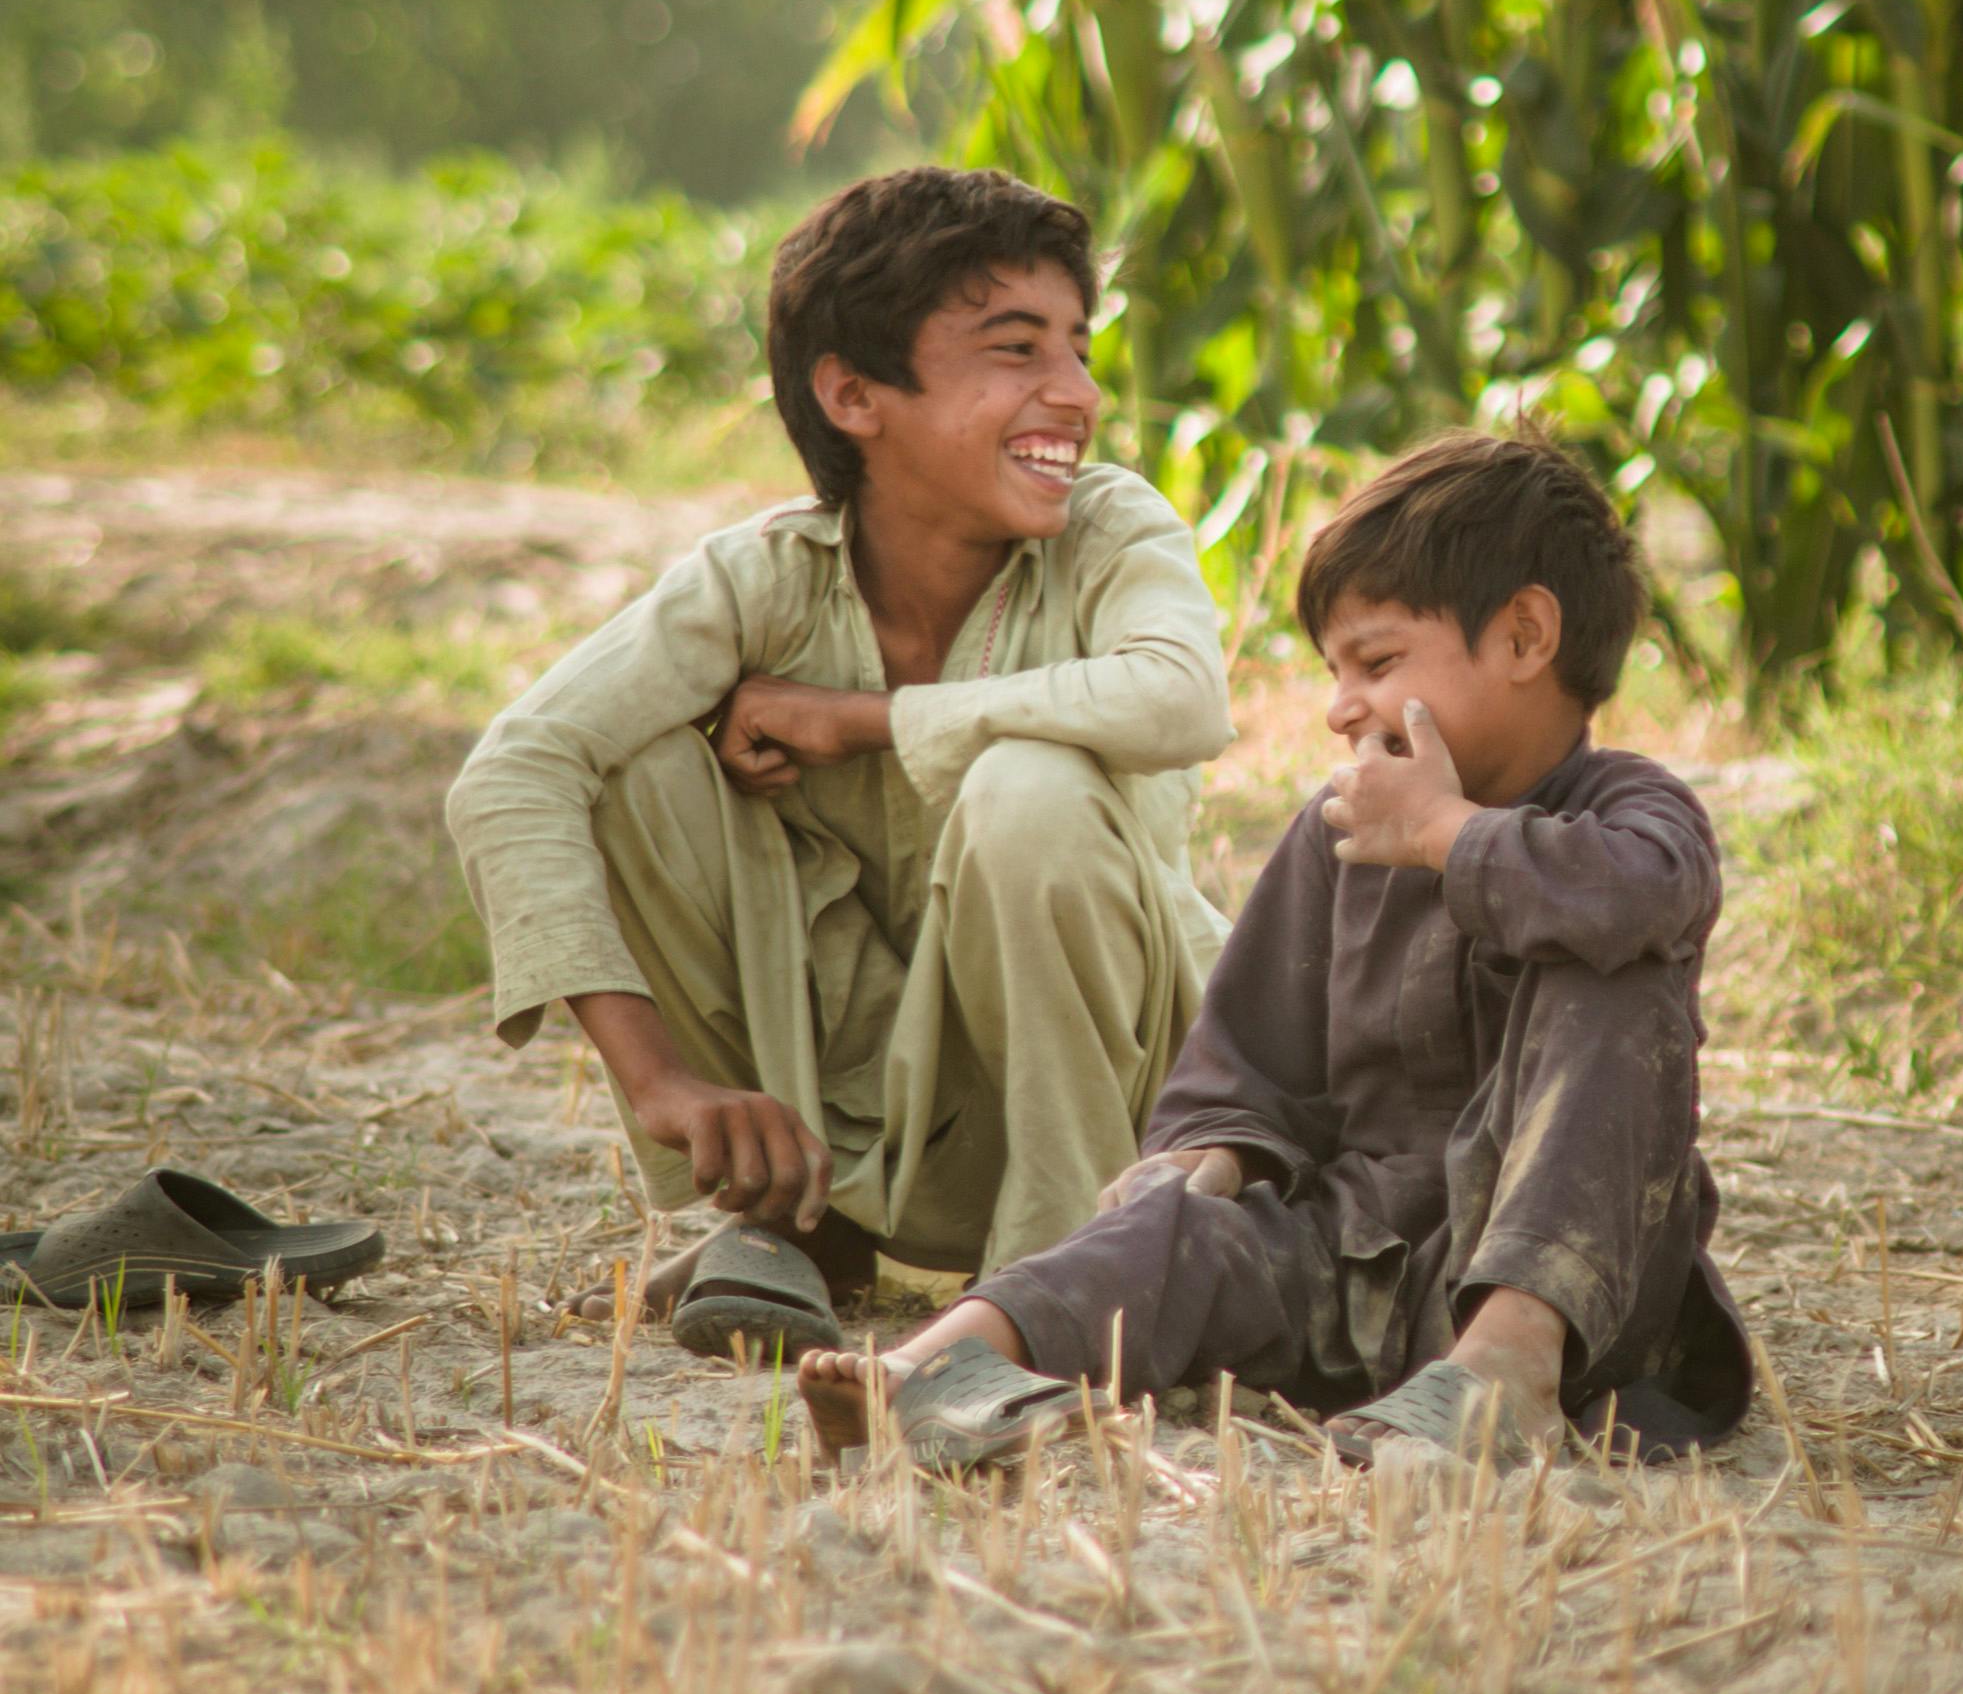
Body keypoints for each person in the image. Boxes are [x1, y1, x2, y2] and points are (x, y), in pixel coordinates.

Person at [799, 422, 1750, 1471]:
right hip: (1355, 1262)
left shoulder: (1630, 816)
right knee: (1172, 1233)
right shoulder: (1340, 836)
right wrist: (1213, 1154)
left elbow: (1645, 900)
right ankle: (937, 1371)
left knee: (1613, 962)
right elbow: (1245, 1061)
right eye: (1333, 669)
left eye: (1376, 662)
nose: (1342, 706)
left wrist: (1445, 834)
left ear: (1525, 637)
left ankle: (1503, 1367)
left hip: (1578, 1291)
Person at [446, 166, 1231, 1361]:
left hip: (1117, 1116)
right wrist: (660, 1084)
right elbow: (517, 770)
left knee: (1030, 784)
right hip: (866, 1122)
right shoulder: (763, 578)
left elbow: (1181, 697)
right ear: (855, 395)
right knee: (636, 767)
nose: (1075, 393)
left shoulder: (1111, 529)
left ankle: (1058, 1277)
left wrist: (862, 717)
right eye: (1017, 351)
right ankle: (800, 1217)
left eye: (1079, 346)